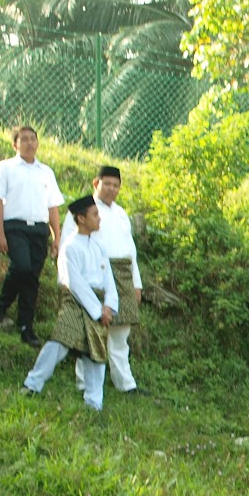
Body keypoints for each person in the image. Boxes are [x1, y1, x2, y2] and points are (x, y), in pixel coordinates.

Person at [22, 194, 116, 411]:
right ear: (81, 219)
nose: (99, 219)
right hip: (75, 301)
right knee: (60, 341)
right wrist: (97, 310)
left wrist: (109, 305)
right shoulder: (70, 247)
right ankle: (32, 384)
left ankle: (94, 402)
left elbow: (108, 278)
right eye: (94, 215)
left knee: (96, 350)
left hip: (99, 303)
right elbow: (75, 282)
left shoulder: (99, 246)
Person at [61, 164, 143, 397]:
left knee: (121, 333)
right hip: (94, 274)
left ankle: (125, 383)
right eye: (107, 183)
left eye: (116, 185)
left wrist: (136, 283)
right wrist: (68, 279)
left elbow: (131, 250)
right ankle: (83, 382)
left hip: (123, 273)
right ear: (96, 183)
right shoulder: (83, 211)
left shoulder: (120, 213)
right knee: (91, 330)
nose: (111, 189)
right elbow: (69, 243)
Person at [0, 125, 62, 347]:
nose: (30, 143)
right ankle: (2, 305)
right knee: (22, 267)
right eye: (24, 139)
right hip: (15, 227)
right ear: (15, 144)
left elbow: (53, 207)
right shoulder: (5, 168)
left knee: (32, 278)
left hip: (38, 230)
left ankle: (26, 326)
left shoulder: (46, 172)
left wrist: (56, 237)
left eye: (33, 139)